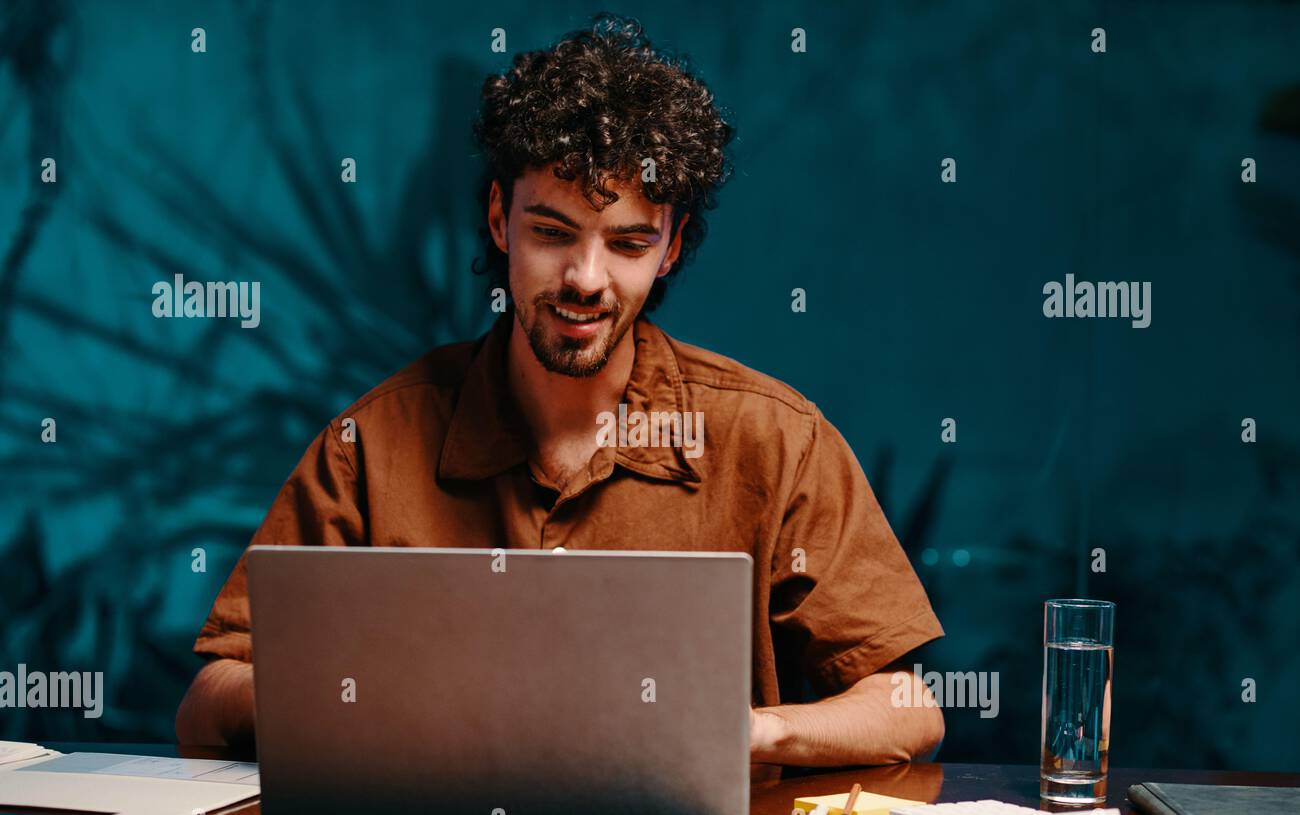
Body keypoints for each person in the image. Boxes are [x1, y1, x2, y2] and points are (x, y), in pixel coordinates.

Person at [176, 15, 945, 767]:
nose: (585, 279)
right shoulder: (373, 443)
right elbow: (209, 700)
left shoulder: (775, 439)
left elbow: (909, 708)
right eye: (551, 232)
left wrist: (750, 733)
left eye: (628, 243)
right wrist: (369, 699)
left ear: (671, 247)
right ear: (498, 220)